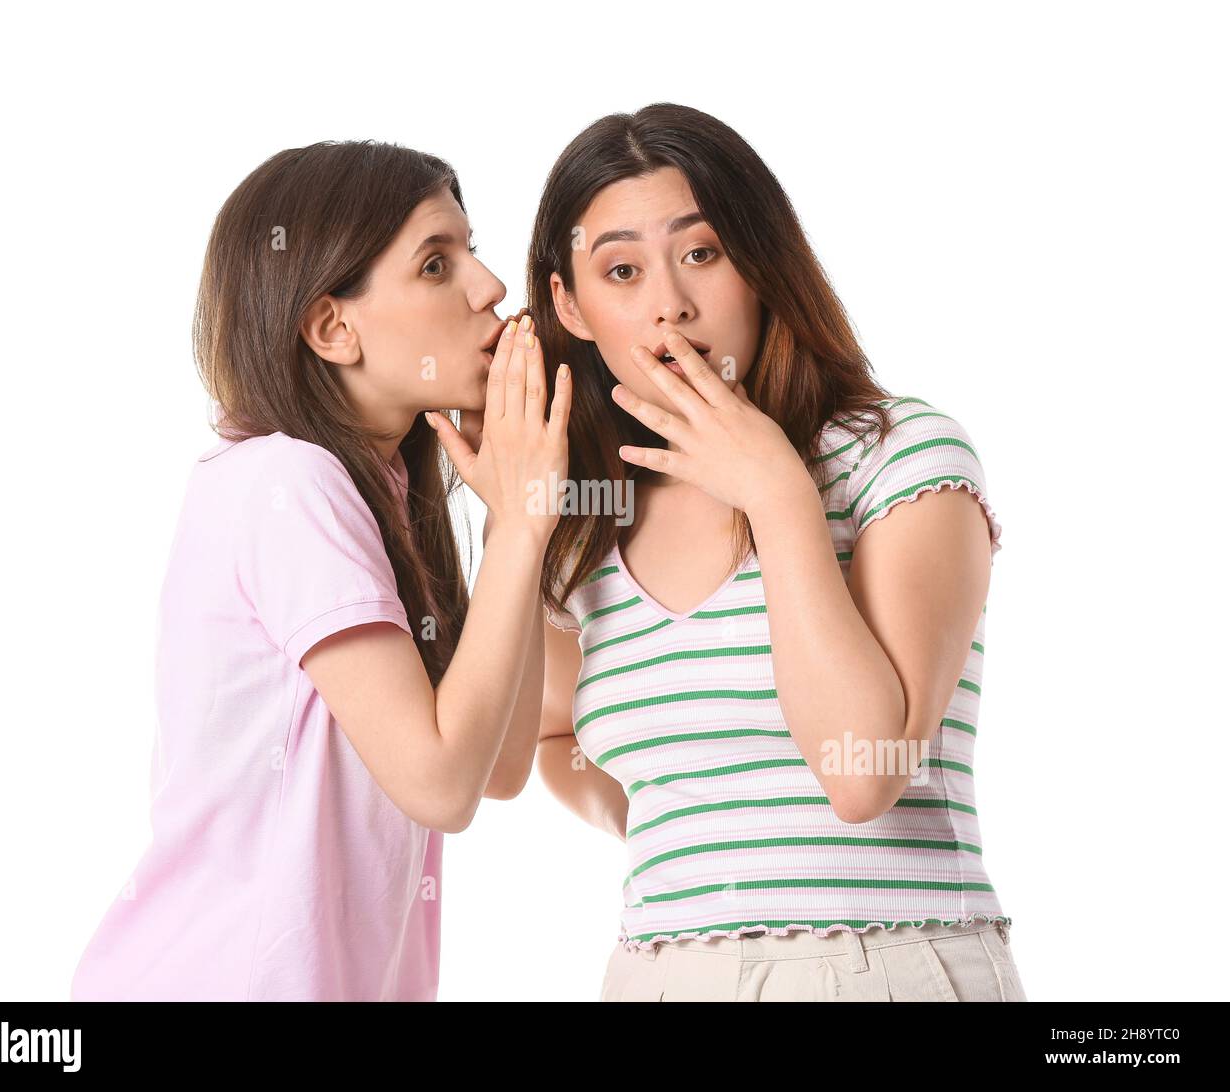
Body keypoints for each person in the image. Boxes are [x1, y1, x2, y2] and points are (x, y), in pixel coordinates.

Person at [530, 104, 1027, 1001]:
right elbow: (553, 733)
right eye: (622, 271)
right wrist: (686, 832)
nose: (670, 304)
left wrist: (778, 495)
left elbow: (860, 772)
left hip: (884, 967)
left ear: (761, 264)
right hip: (655, 976)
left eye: (703, 252)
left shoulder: (901, 454)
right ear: (571, 305)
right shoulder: (584, 522)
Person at [70, 140, 569, 1001]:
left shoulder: (380, 492)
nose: (489, 288)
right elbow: (441, 783)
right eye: (436, 263)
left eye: (471, 251)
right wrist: (523, 527)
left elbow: (499, 765)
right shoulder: (286, 479)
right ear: (333, 328)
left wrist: (508, 522)